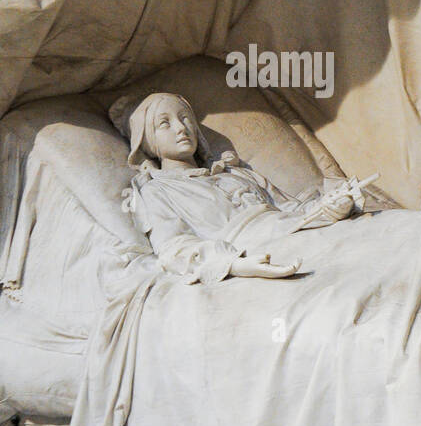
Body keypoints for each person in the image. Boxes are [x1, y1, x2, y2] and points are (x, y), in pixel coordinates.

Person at [109, 91, 359, 284]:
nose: (181, 128)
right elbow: (174, 249)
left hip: (296, 230)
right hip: (260, 249)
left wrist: (331, 208)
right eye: (164, 124)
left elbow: (291, 208)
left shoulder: (235, 173)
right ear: (148, 141)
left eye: (185, 118)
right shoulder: (157, 192)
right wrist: (234, 264)